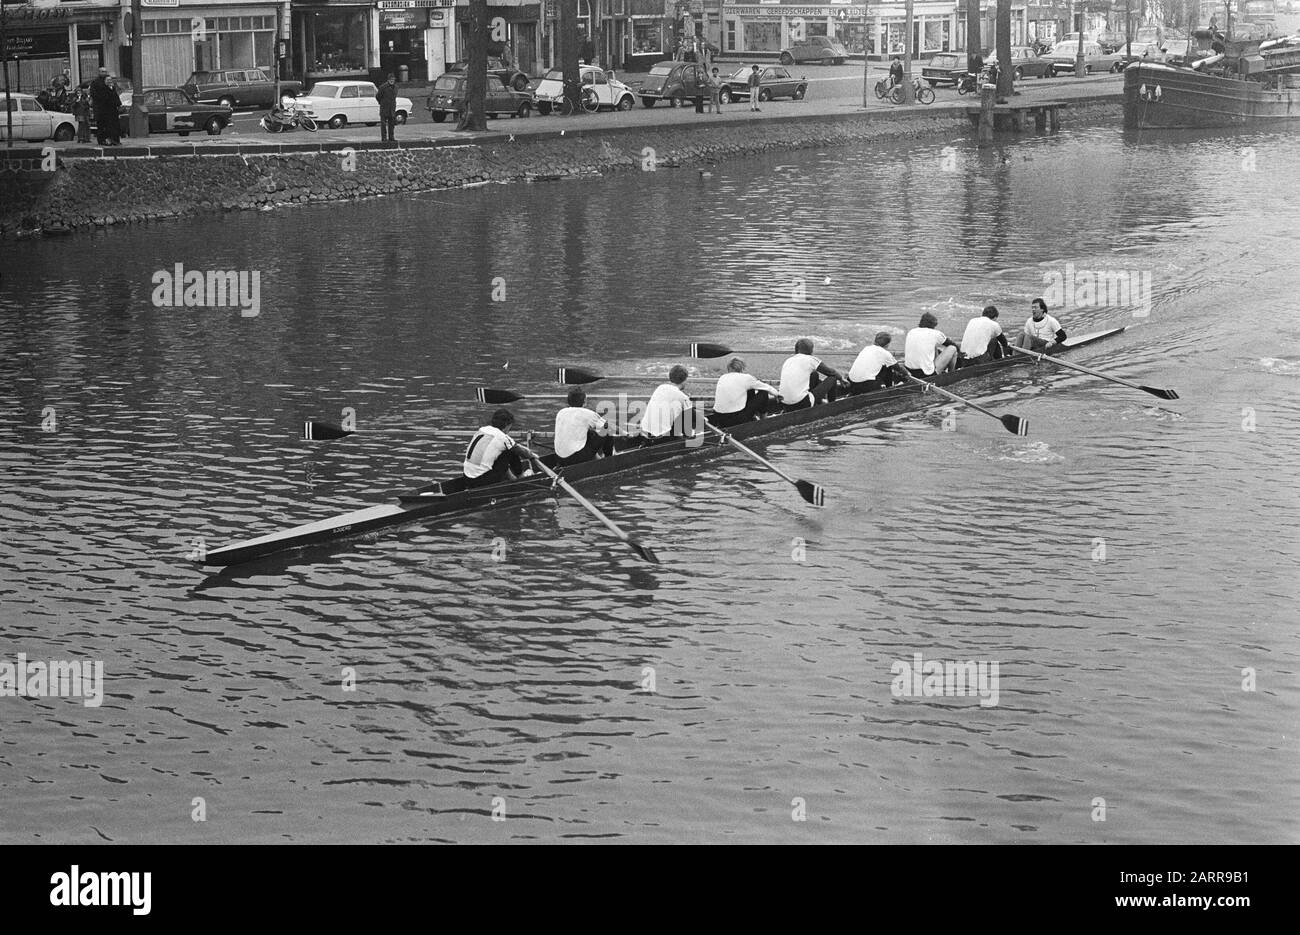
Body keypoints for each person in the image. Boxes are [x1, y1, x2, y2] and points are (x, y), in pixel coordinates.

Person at [463, 409, 531, 487]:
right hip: (482, 481)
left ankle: (512, 479)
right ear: (507, 425)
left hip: (467, 479)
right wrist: (533, 457)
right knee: (510, 451)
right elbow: (524, 453)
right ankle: (522, 480)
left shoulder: (482, 429)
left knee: (502, 450)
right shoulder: (503, 437)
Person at [778, 339, 844, 411]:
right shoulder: (810, 359)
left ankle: (817, 401)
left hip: (783, 403)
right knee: (833, 378)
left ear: (796, 350)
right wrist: (841, 379)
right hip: (802, 404)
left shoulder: (788, 361)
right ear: (811, 351)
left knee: (814, 374)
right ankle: (832, 406)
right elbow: (832, 372)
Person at [553, 388, 614, 466]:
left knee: (589, 432)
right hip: (576, 458)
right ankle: (609, 460)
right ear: (584, 401)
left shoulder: (561, 412)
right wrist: (626, 433)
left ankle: (596, 458)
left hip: (559, 459)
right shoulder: (588, 414)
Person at [710, 358, 778, 427]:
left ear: (728, 368)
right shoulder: (746, 378)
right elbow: (767, 388)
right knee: (763, 392)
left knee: (750, 389)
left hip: (718, 417)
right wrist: (778, 395)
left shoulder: (722, 377)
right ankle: (763, 419)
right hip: (737, 418)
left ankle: (753, 417)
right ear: (742, 368)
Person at [639, 365, 694, 444]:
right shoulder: (682, 397)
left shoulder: (661, 387)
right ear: (685, 380)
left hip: (644, 429)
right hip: (661, 436)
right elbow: (688, 419)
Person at [904, 312, 958, 378]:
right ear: (934, 325)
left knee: (933, 345)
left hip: (909, 370)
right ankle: (951, 374)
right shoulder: (935, 333)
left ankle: (935, 367)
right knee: (953, 348)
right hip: (926, 373)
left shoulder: (911, 331)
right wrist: (961, 352)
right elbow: (952, 344)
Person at [89, 67, 121, 146]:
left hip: (111, 109)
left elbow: (115, 96)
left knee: (112, 125)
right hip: (101, 109)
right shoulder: (95, 82)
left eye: (105, 71)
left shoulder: (111, 86)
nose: (104, 73)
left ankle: (113, 140)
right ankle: (102, 140)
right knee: (101, 125)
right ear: (99, 72)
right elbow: (94, 95)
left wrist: (118, 104)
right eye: (102, 71)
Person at [376, 73, 397, 142]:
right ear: (388, 80)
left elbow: (394, 97)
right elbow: (378, 96)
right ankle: (384, 138)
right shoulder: (383, 87)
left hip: (392, 108)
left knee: (391, 124)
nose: (392, 81)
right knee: (383, 124)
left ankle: (391, 137)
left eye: (393, 79)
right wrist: (382, 103)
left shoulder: (396, 87)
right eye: (390, 79)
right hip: (384, 108)